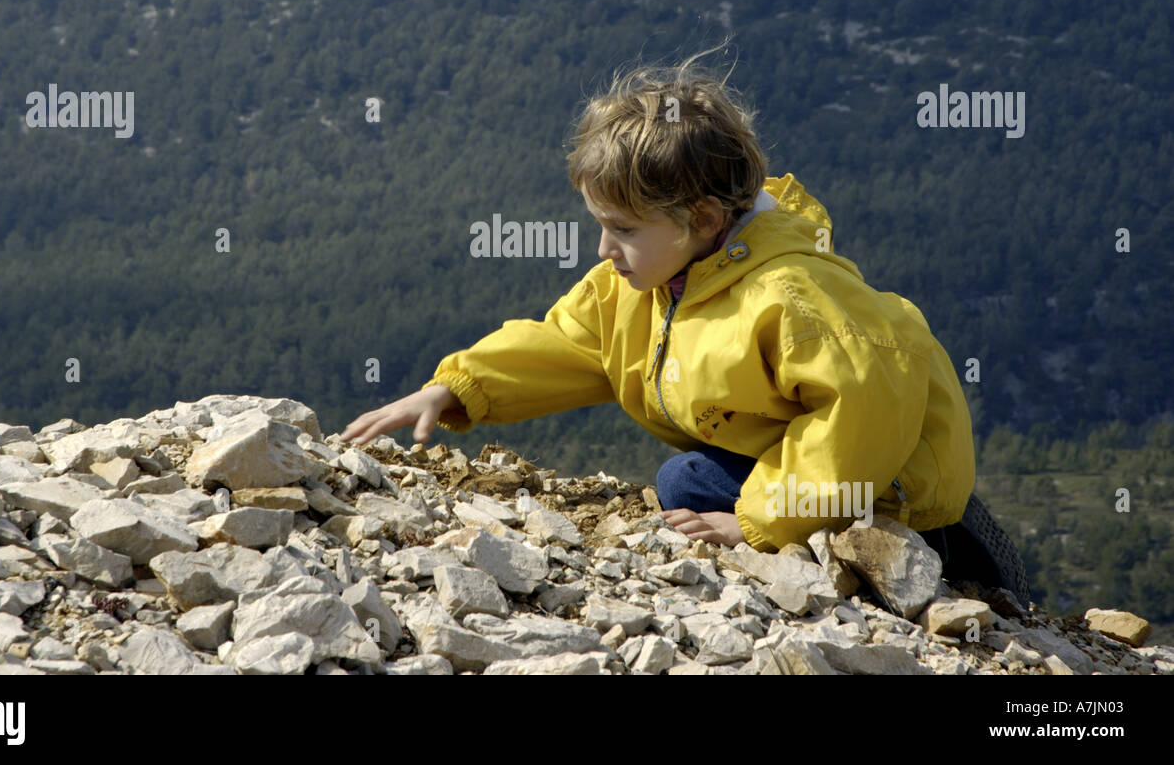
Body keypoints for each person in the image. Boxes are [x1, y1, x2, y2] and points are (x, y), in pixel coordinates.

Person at [340, 45, 1032, 608]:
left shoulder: (793, 295)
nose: (603, 250)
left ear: (701, 220)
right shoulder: (648, 279)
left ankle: (936, 552)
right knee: (688, 484)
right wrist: (453, 389)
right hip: (795, 455)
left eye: (621, 229)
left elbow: (861, 413)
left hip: (878, 471)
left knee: (689, 488)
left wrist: (760, 525)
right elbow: (571, 341)